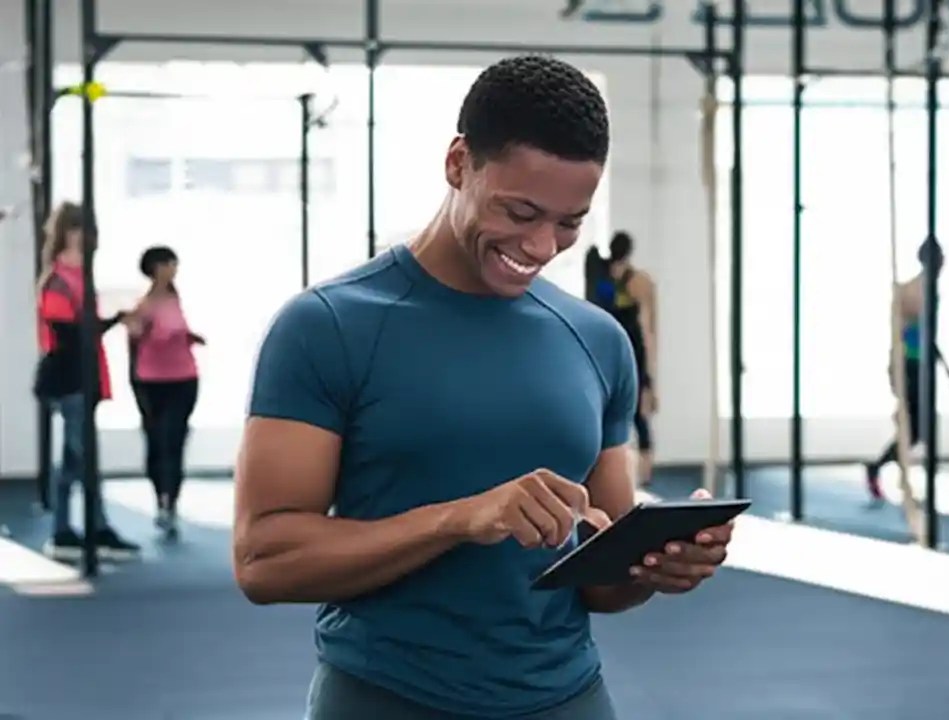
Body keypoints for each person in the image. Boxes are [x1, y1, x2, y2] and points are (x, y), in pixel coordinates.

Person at [233, 55, 735, 720]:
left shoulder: (597, 339)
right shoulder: (325, 327)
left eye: (568, 222)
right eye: (520, 211)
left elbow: (600, 581)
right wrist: (463, 518)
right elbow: (264, 561)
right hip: (386, 698)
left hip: (569, 697)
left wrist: (656, 567)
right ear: (458, 164)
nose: (541, 244)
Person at [33, 201, 141, 562]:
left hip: (84, 378)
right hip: (69, 379)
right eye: (79, 229)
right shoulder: (58, 281)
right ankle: (95, 528)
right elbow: (68, 334)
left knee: (73, 459)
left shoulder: (78, 278)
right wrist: (112, 321)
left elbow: (81, 331)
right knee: (84, 460)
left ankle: (65, 531)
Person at [865, 239, 949, 503]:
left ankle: (892, 471)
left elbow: (928, 335)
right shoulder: (914, 290)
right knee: (915, 426)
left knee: (918, 426)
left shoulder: (926, 290)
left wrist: (945, 367)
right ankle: (881, 467)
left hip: (919, 364)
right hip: (910, 366)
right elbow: (907, 334)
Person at [127, 246, 204, 537]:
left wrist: (188, 337)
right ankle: (161, 497)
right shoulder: (146, 304)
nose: (174, 268)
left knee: (174, 439)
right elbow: (136, 338)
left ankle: (170, 502)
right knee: (158, 441)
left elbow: (174, 331)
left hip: (183, 378)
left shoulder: (174, 298)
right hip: (153, 382)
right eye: (170, 263)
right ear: (157, 267)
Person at [585, 231, 658, 486]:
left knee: (624, 416)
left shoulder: (604, 276)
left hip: (610, 351)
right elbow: (648, 329)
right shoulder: (635, 280)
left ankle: (637, 476)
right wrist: (651, 376)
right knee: (634, 416)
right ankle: (640, 476)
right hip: (625, 352)